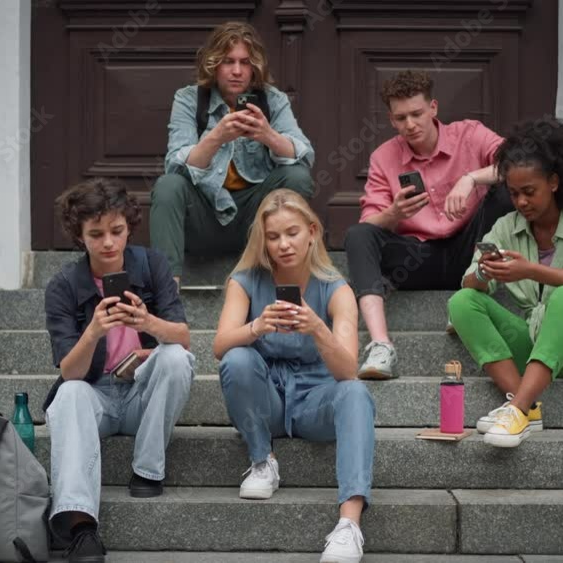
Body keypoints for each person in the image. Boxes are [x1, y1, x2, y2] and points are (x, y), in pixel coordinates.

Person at [214, 189, 375, 563]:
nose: (283, 244)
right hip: (265, 398)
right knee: (237, 358)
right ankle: (262, 460)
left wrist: (318, 328)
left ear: (312, 232)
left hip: (316, 401)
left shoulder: (336, 289)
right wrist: (257, 326)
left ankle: (349, 524)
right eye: (273, 237)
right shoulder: (245, 280)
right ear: (263, 241)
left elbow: (348, 371)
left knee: (355, 394)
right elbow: (220, 345)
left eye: (292, 233)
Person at [43, 178, 195, 562]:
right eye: (96, 234)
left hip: (142, 393)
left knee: (175, 358)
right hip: (97, 396)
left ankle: (147, 470)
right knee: (69, 394)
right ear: (80, 236)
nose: (109, 243)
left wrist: (148, 324)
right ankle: (80, 527)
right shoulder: (64, 286)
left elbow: (183, 337)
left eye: (117, 231)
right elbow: (72, 372)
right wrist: (93, 331)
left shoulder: (153, 264)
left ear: (129, 227)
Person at [448, 117, 563, 448]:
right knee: (461, 302)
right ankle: (527, 408)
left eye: (529, 192)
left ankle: (516, 407)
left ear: (554, 182)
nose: (521, 202)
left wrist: (531, 271)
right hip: (534, 343)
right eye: (513, 194)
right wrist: (485, 271)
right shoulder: (505, 227)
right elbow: (471, 285)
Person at [344, 70, 513, 380]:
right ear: (391, 120)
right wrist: (394, 213)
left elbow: (518, 163)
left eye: (417, 114)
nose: (410, 124)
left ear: (433, 108)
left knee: (505, 192)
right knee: (358, 236)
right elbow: (369, 222)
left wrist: (470, 178)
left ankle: (470, 295)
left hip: (471, 251)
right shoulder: (384, 157)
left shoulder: (469, 134)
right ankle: (381, 345)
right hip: (417, 258)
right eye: (401, 118)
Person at [152, 21, 315, 285]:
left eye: (245, 62)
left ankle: (288, 281)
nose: (237, 71)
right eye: (228, 62)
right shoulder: (188, 99)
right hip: (204, 219)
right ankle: (167, 288)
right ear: (213, 64)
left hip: (257, 223)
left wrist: (267, 135)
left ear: (255, 67)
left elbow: (305, 156)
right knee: (168, 186)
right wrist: (216, 137)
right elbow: (175, 165)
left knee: (297, 177)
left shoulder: (273, 100)